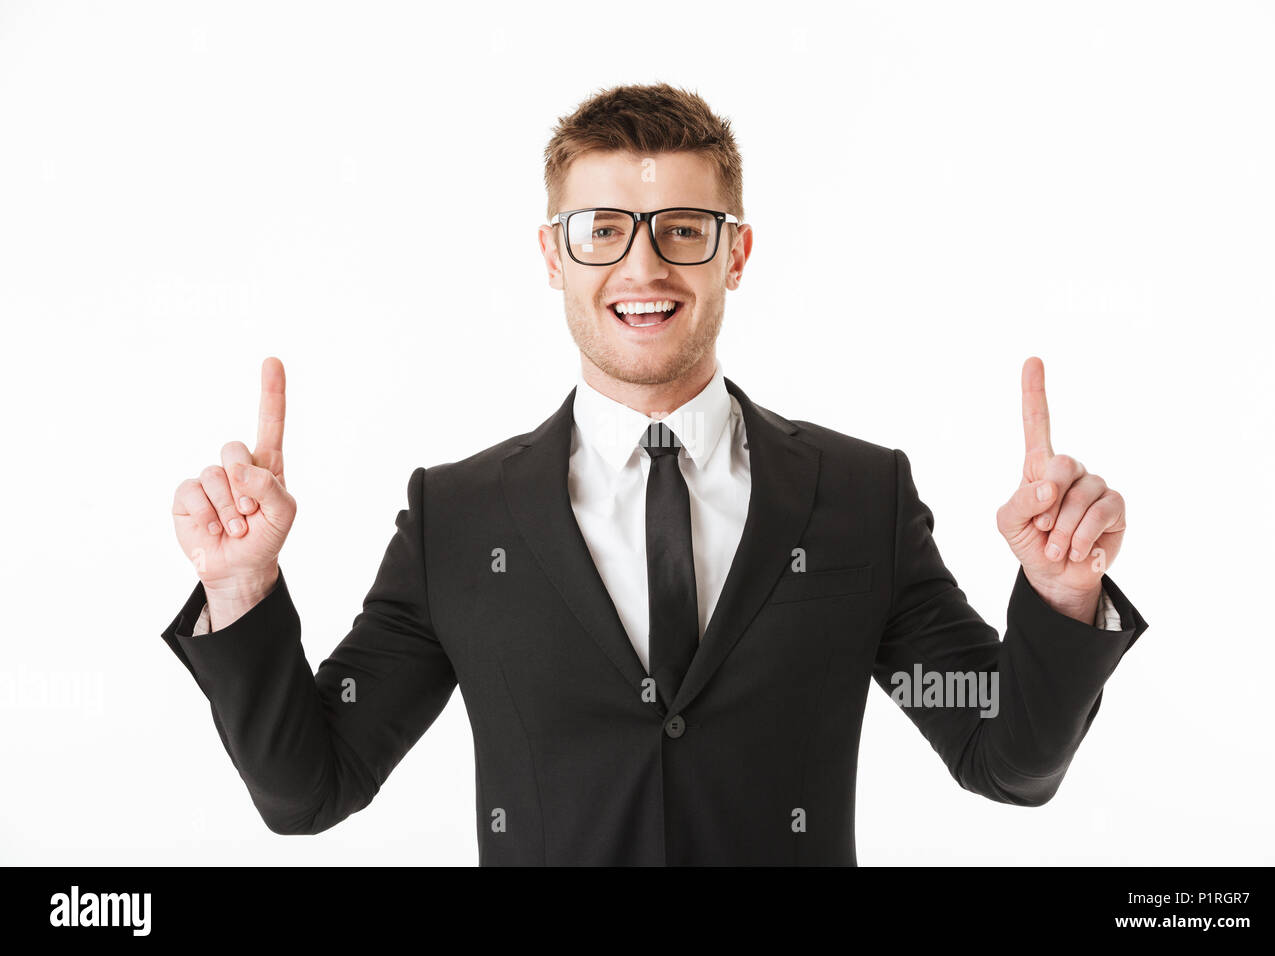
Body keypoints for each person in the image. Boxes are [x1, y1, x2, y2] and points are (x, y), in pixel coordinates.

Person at [163, 83, 1148, 866]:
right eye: (601, 229)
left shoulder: (860, 497)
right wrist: (239, 588)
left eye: (683, 228)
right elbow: (311, 788)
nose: (643, 266)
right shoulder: (456, 518)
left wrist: (1061, 597)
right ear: (553, 255)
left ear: (736, 251)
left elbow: (1005, 758)